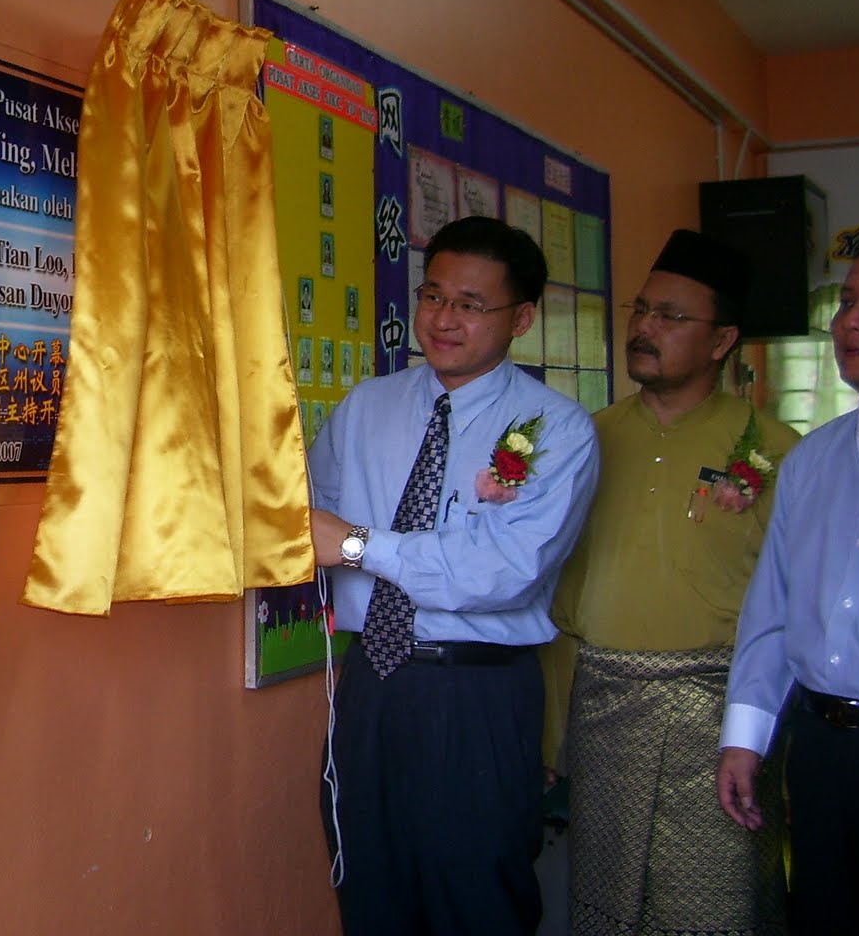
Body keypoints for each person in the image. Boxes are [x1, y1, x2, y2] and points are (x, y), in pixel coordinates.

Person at [308, 215, 600, 935]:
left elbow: (505, 572)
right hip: (372, 686)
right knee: (368, 886)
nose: (442, 319)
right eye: (433, 295)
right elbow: (308, 523)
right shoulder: (366, 407)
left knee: (476, 897)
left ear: (522, 318)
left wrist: (357, 547)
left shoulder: (556, 429)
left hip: (477, 694)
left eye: (471, 304)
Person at [544, 229, 798, 936]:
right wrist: (548, 737)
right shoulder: (582, 439)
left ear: (722, 341)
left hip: (722, 724)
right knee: (604, 904)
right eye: (641, 310)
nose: (645, 328)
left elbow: (798, 611)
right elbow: (558, 599)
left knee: (716, 910)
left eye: (671, 316)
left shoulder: (778, 452)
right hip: (602, 717)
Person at [718, 240, 859, 932]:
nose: (852, 323)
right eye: (847, 303)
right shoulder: (813, 459)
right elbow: (773, 608)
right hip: (822, 750)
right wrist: (745, 736)